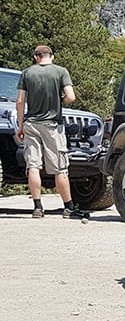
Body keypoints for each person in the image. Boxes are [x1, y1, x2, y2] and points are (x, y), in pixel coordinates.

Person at [15, 45, 84, 219]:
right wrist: (58, 102)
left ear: (36, 57)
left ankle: (38, 208)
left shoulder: (27, 73)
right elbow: (71, 96)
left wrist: (21, 125)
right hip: (52, 126)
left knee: (33, 166)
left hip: (31, 124)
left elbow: (20, 101)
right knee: (60, 168)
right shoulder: (60, 72)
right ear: (51, 56)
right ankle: (68, 207)